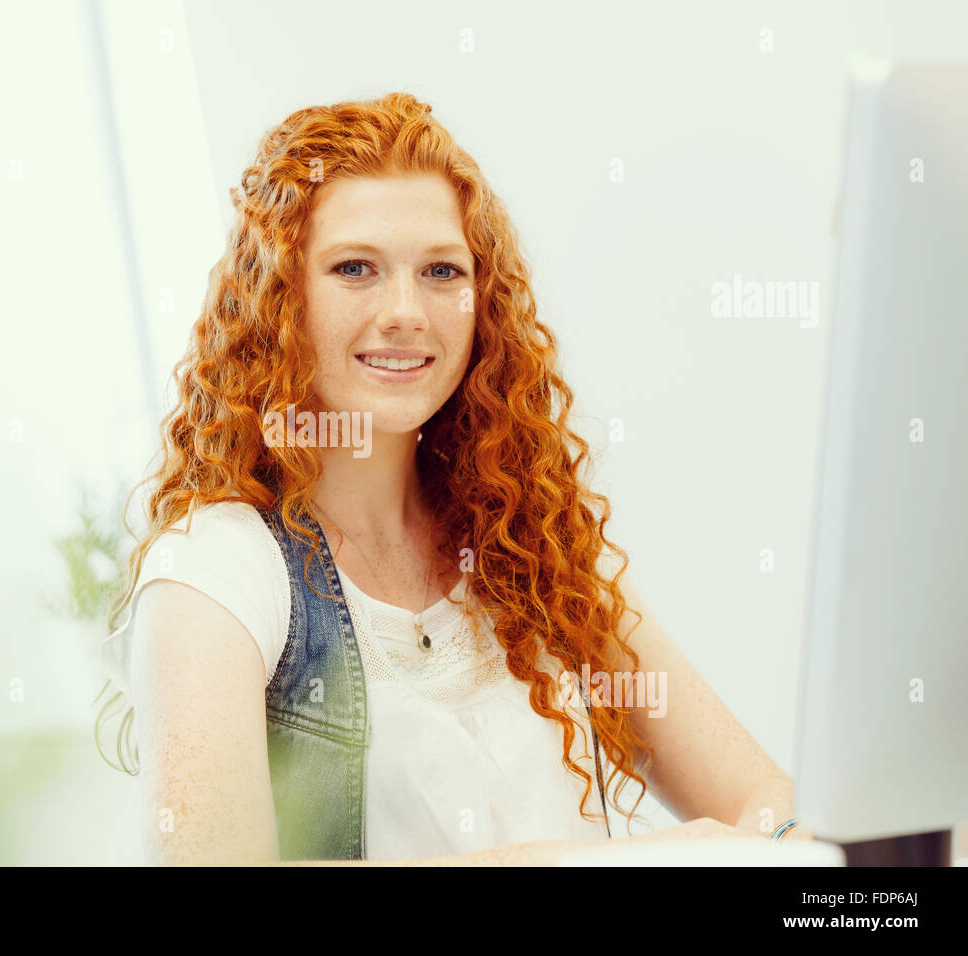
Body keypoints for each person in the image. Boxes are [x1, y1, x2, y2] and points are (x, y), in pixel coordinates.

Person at [98, 91, 812, 865]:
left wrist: (801, 854)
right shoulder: (216, 572)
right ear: (282, 300)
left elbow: (762, 803)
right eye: (355, 269)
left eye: (441, 270)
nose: (405, 311)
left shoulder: (532, 540)